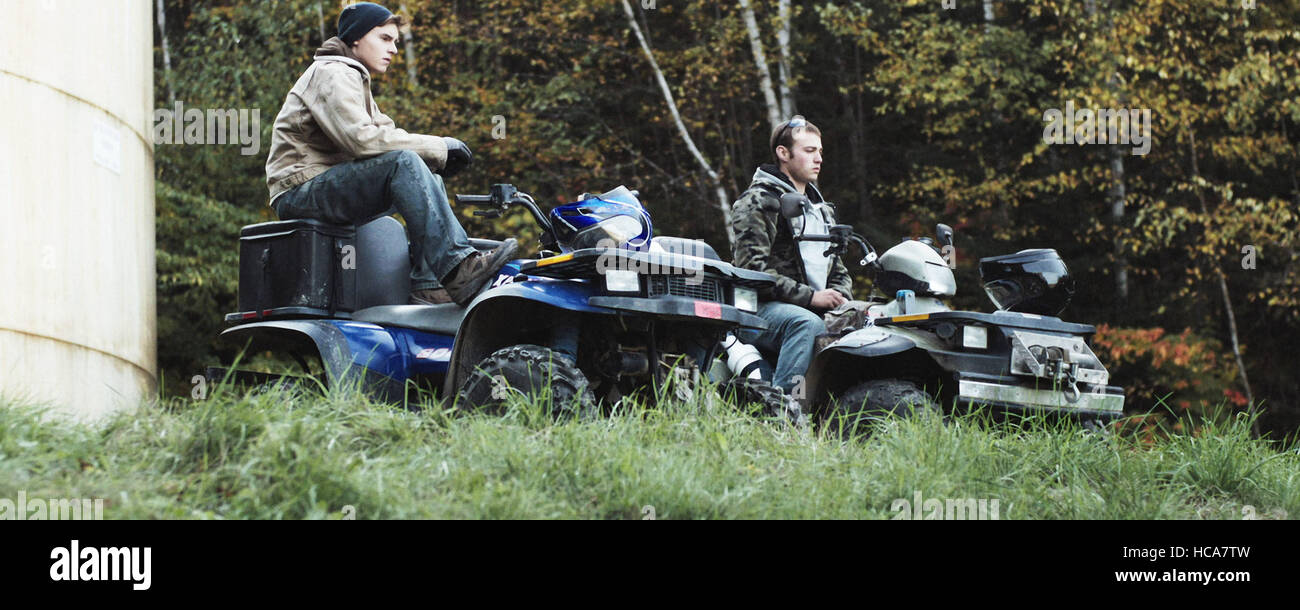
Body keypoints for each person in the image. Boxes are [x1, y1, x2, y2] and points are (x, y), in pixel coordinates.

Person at [264, 2, 516, 307]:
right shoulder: (332, 73)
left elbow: (391, 138)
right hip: (299, 191)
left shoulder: (354, 79)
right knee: (406, 163)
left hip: (323, 186)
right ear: (356, 37)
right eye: (385, 39)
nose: (394, 49)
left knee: (421, 168)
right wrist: (439, 146)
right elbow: (363, 141)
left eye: (396, 41)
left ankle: (429, 283)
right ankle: (459, 269)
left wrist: (437, 156)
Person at [729, 116, 854, 394]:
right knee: (805, 324)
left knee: (867, 321)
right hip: (756, 309)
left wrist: (838, 297)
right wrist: (811, 298)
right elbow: (752, 272)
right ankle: (781, 411)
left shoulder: (819, 208)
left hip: (807, 305)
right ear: (783, 154)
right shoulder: (758, 201)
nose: (818, 158)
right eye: (809, 151)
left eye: (820, 151)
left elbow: (838, 268)